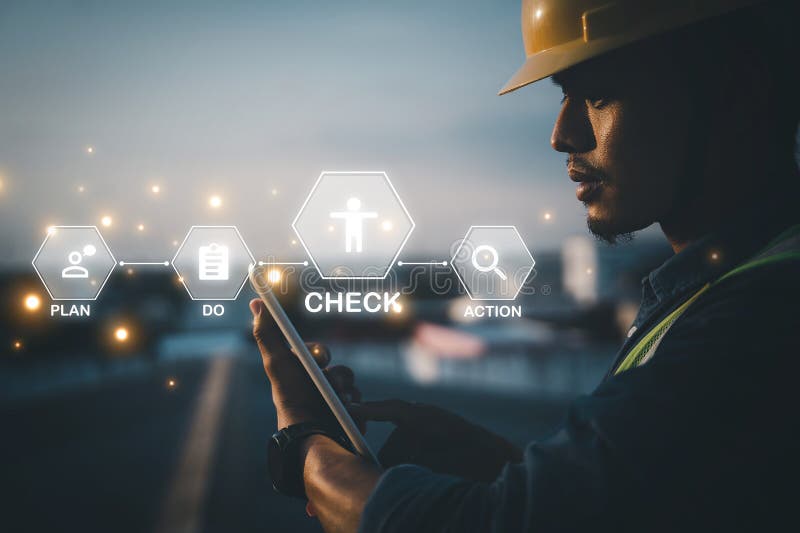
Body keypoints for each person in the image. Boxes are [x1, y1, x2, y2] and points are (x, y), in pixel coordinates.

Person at [249, 0, 800, 531]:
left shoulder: (760, 322)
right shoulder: (719, 288)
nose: (562, 135)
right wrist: (493, 463)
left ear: (737, 88)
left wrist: (303, 442)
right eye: (566, 95)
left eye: (600, 93)